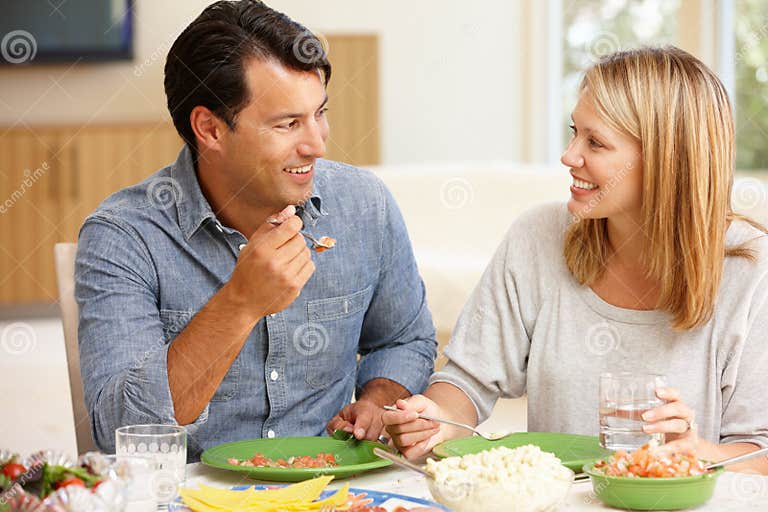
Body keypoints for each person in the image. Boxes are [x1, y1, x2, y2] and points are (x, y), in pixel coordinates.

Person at [75, 0, 437, 460]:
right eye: (287, 124)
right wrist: (240, 302)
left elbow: (404, 339)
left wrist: (377, 402)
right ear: (209, 128)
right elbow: (122, 432)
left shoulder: (365, 205)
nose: (317, 144)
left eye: (318, 114)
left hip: (331, 489)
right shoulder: (124, 236)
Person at [383, 46, 768, 474]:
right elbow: (467, 382)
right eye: (573, 132)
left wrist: (698, 454)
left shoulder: (752, 271)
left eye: (595, 142)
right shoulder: (537, 237)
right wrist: (432, 423)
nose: (569, 156)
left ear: (666, 159)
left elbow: (761, 452)